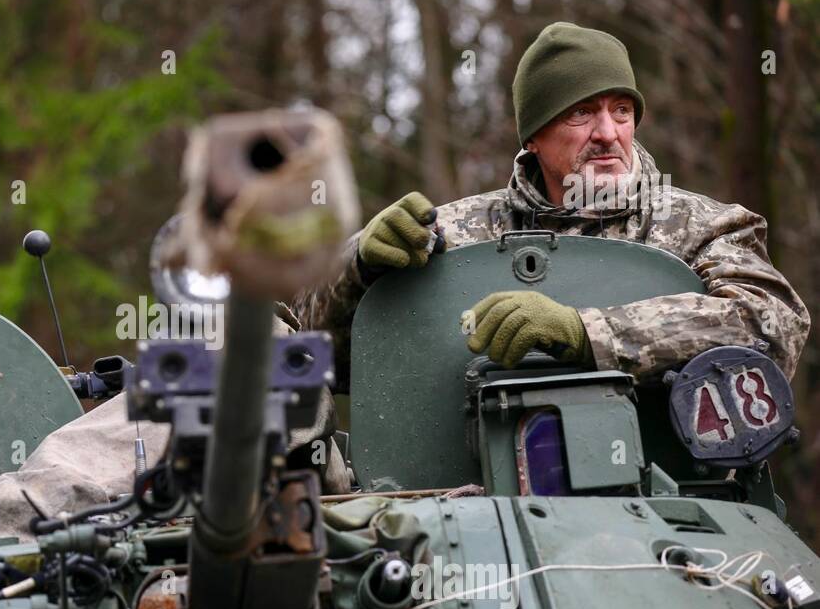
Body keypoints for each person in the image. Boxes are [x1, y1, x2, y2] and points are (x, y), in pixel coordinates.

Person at [293, 21, 810, 390]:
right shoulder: (456, 233)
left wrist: (586, 333)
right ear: (533, 136)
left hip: (671, 504)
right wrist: (357, 265)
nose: (608, 134)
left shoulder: (702, 226)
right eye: (582, 113)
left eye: (622, 111)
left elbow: (772, 328)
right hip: (473, 501)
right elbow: (315, 357)